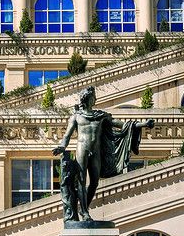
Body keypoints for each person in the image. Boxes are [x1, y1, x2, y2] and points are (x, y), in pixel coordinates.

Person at [53, 86, 154, 221]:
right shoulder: (76, 117)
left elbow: (123, 125)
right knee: (81, 182)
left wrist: (144, 124)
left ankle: (85, 208)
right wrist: (61, 146)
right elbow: (67, 135)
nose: (95, 99)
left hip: (96, 151)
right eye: (93, 97)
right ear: (87, 99)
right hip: (82, 149)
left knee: (94, 182)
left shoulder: (100, 116)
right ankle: (84, 212)